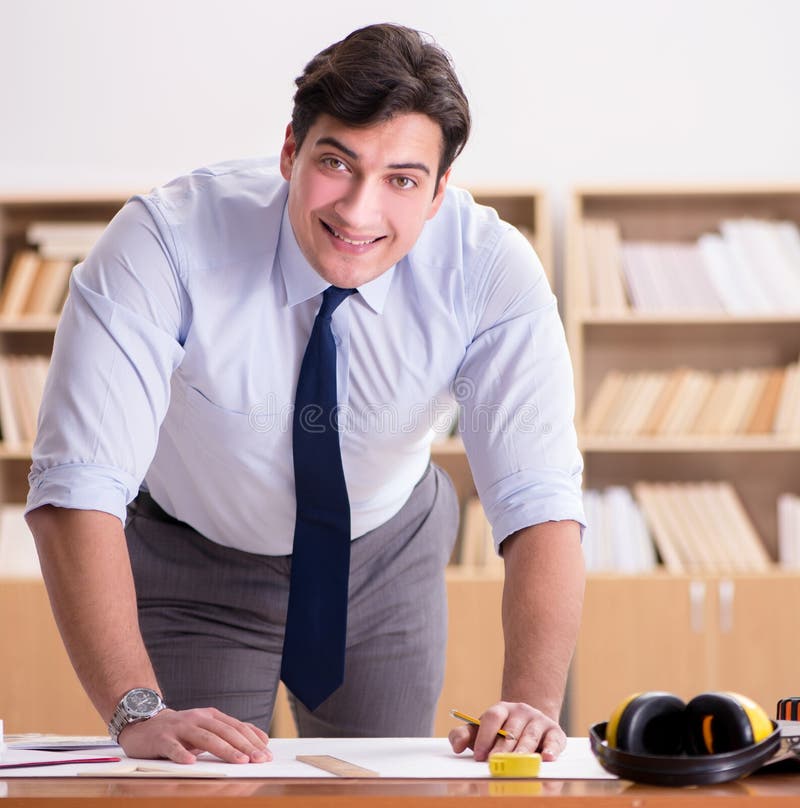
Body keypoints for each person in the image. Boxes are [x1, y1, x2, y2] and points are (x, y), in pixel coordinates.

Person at [25, 22, 585, 766]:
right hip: (197, 554)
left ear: (441, 190)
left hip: (386, 552)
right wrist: (134, 709)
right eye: (336, 163)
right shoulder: (165, 241)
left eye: (403, 180)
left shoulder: (489, 271)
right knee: (198, 783)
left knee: (382, 787)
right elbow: (77, 485)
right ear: (290, 151)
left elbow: (539, 498)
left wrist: (532, 706)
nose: (358, 210)